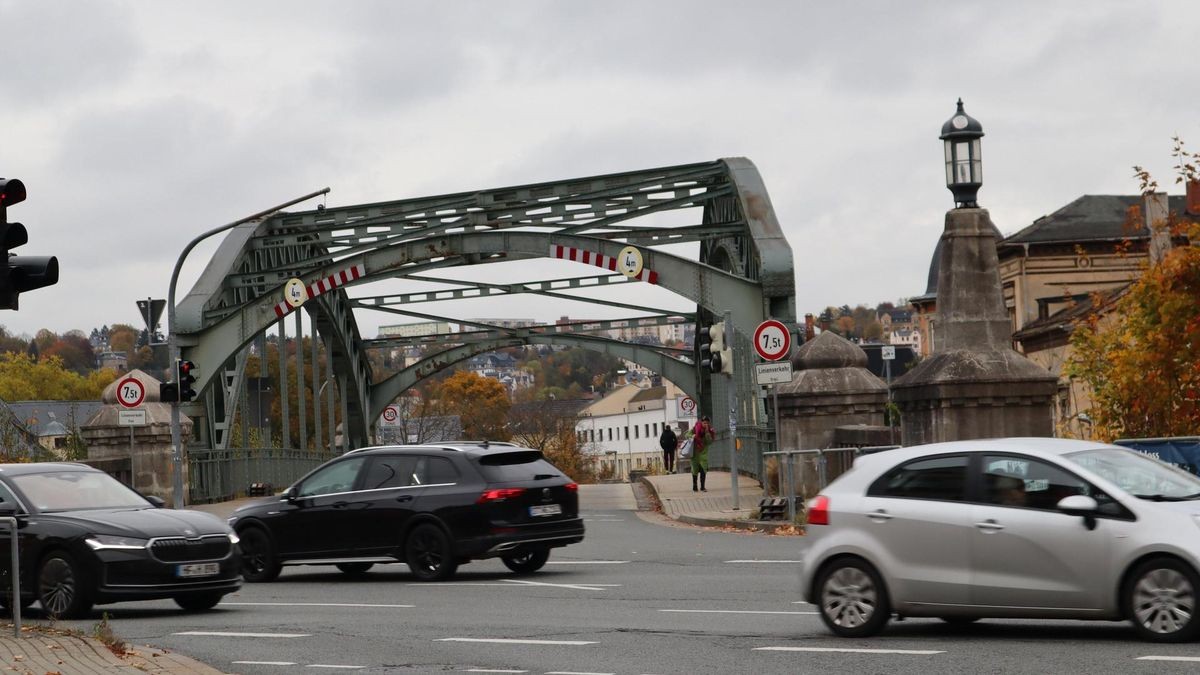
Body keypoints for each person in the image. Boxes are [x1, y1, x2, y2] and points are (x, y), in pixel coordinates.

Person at [691, 415, 715, 492]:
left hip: (703, 454)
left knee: (703, 470)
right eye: (704, 423)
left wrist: (707, 433)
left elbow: (710, 442)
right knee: (694, 470)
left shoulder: (710, 431)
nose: (706, 425)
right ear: (701, 422)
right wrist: (693, 436)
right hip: (695, 453)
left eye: (707, 423)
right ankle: (695, 485)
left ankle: (702, 487)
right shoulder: (695, 428)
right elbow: (686, 434)